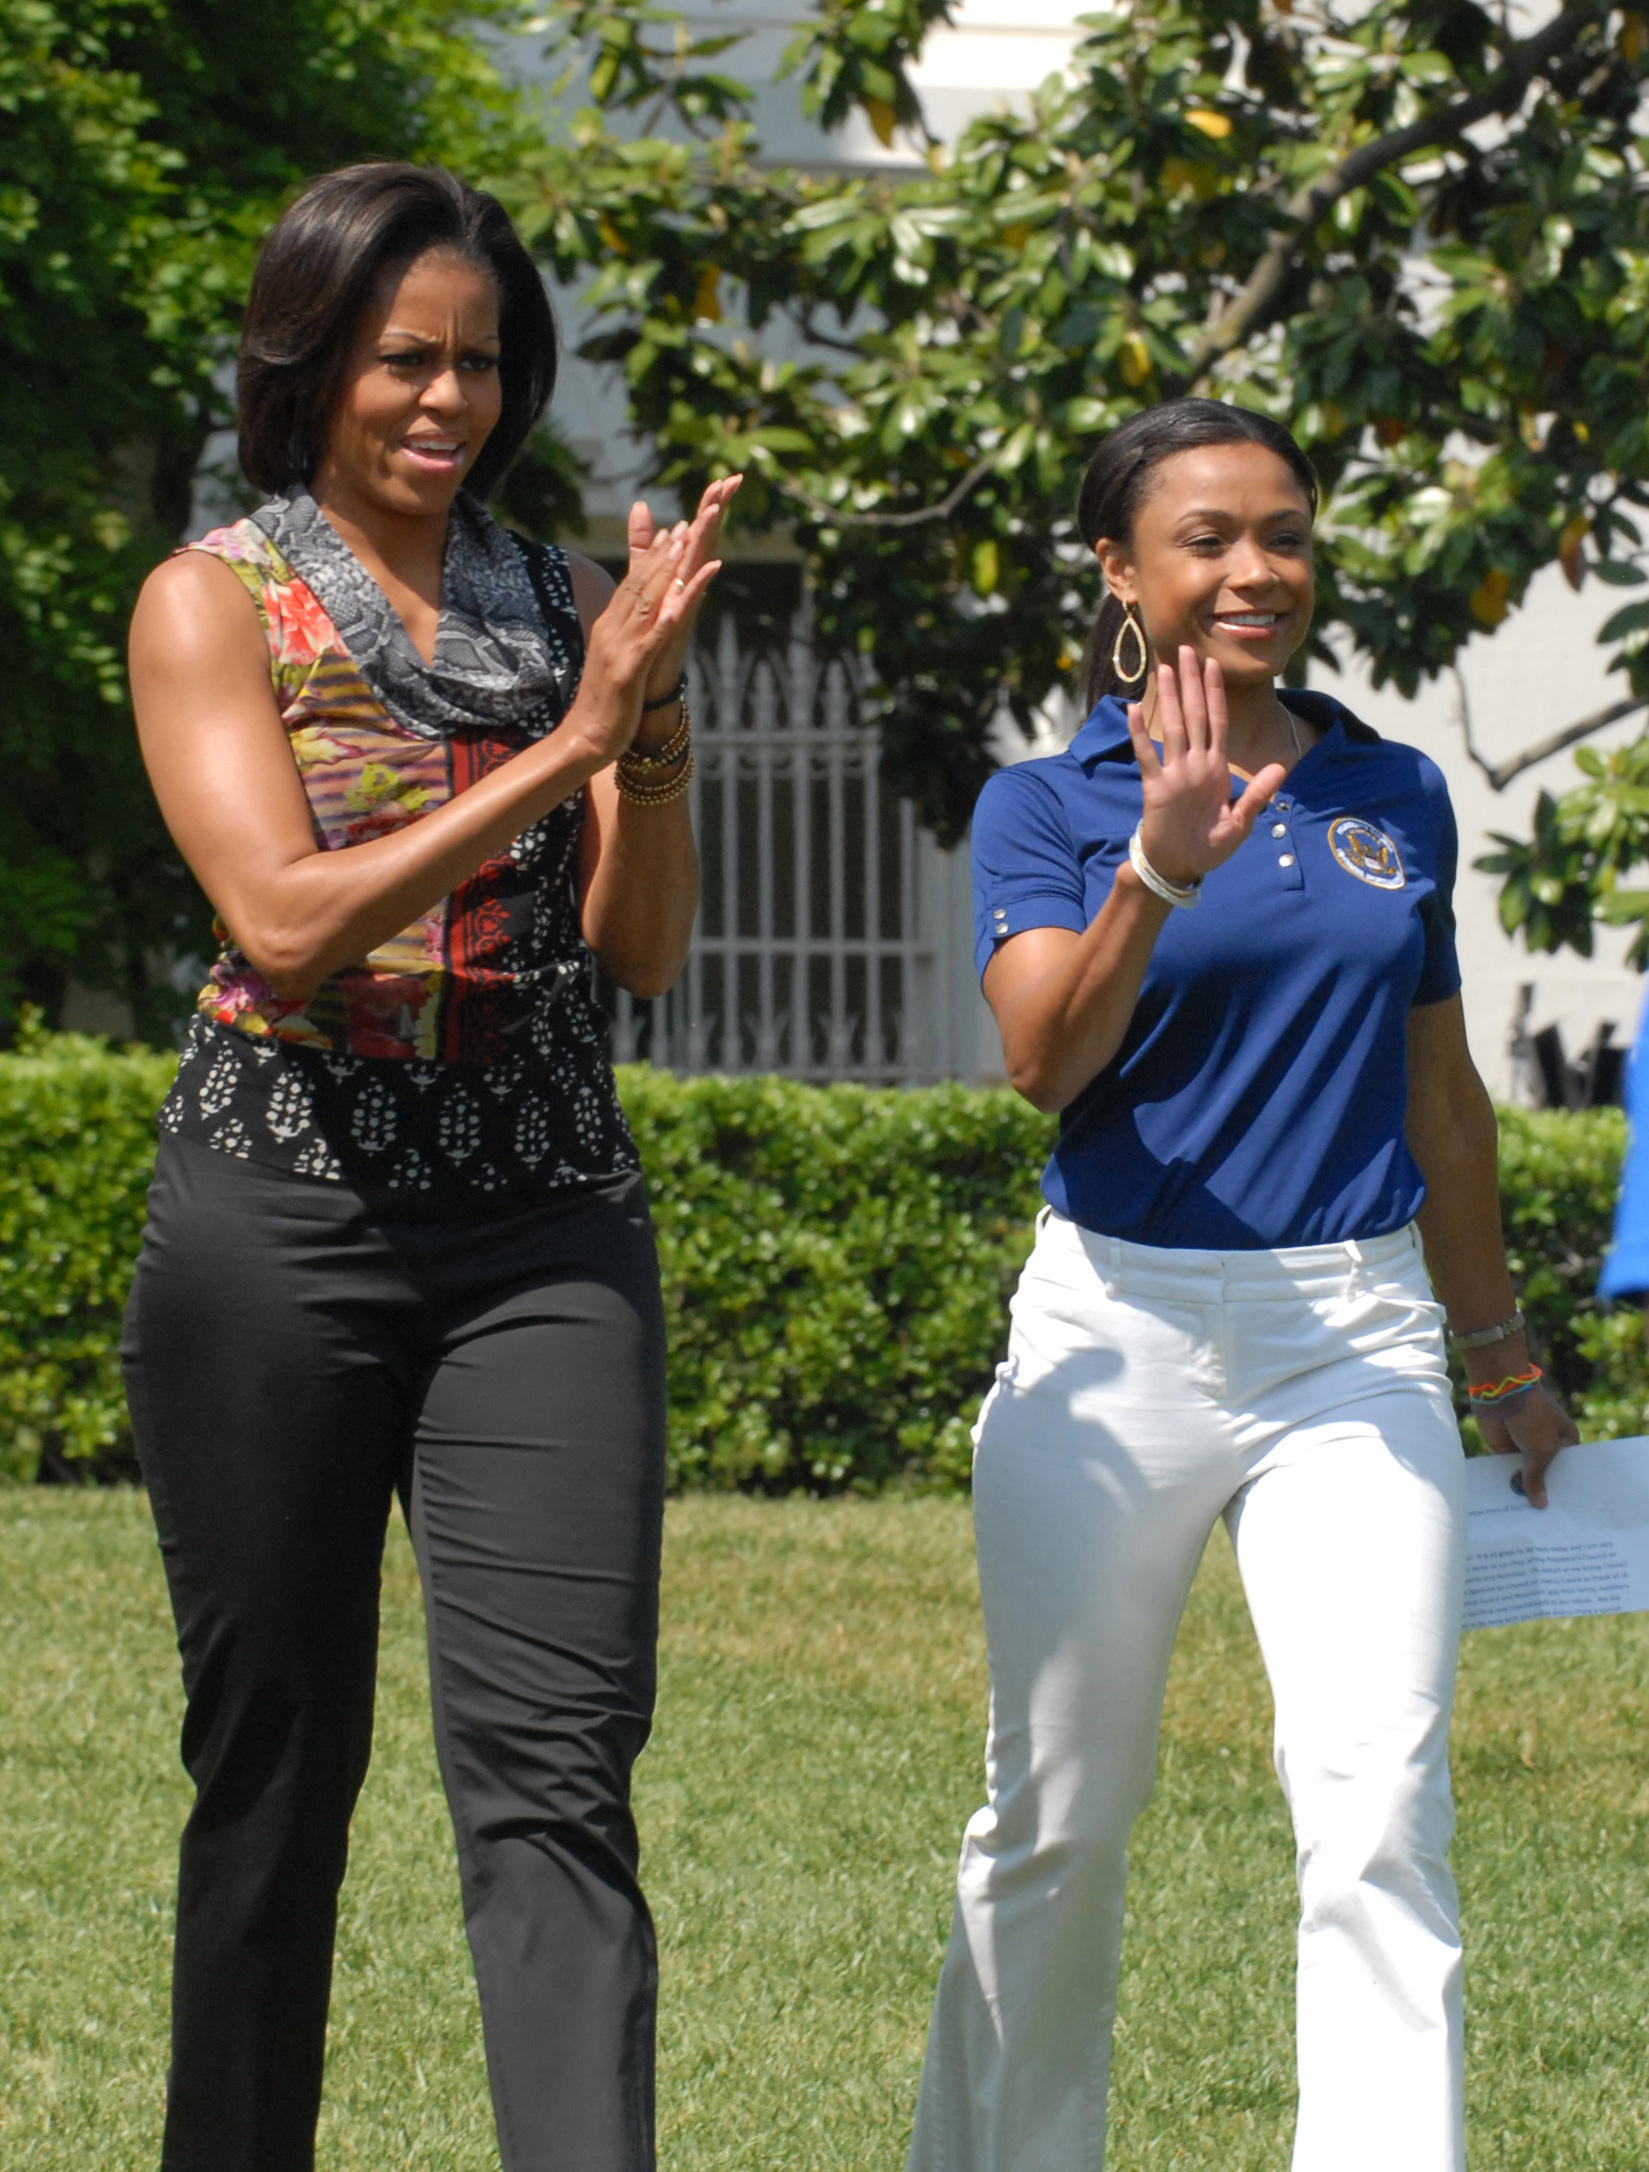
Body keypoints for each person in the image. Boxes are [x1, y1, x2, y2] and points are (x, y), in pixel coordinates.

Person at [120, 161, 735, 2172]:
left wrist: (641, 731)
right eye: (405, 360)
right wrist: (573, 746)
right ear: (312, 362)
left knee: (559, 1775)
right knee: (277, 1770)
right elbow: (284, 926)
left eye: (480, 363)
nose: (446, 403)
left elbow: (638, 952)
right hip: (282, 1221)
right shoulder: (211, 601)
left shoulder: (564, 606)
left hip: (544, 1223)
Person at [906, 398, 1576, 2172]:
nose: (1255, 568)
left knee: (1376, 1810)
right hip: (1110, 1336)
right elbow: (1042, 1061)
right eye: (1205, 537)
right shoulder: (1045, 804)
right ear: (1119, 571)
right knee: (1056, 1814)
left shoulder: (1390, 790)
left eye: (1280, 531)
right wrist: (1155, 865)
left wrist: (1498, 1354)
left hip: (1351, 1341)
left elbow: (1440, 1100)